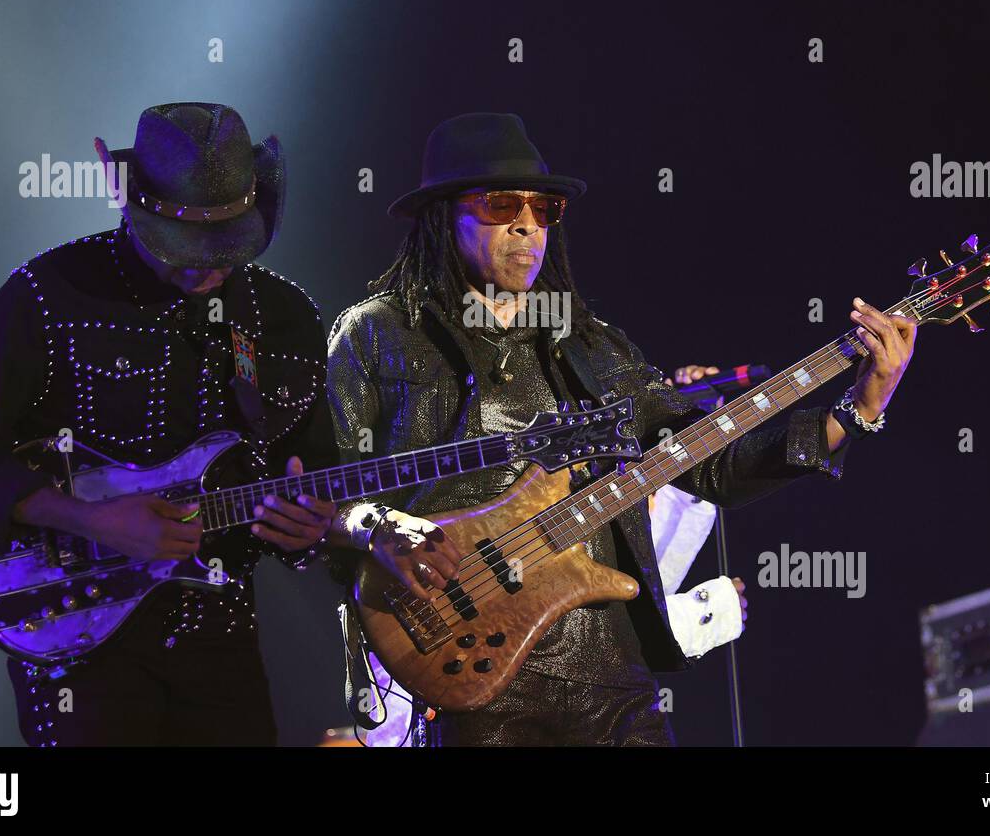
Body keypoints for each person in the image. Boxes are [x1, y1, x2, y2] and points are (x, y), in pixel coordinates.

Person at [271, 112, 917, 745]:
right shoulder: (377, 333)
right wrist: (378, 532)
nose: (527, 227)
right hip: (472, 658)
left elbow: (713, 464)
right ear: (445, 215)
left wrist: (858, 406)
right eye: (502, 205)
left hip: (611, 669)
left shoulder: (596, 348)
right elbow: (320, 487)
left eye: (542, 210)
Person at [0, 103, 338, 745]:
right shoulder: (52, 291)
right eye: (181, 246)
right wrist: (87, 518)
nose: (205, 266)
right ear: (131, 203)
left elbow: (312, 474)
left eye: (227, 245)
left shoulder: (284, 315)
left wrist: (310, 528)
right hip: (80, 635)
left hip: (219, 632)